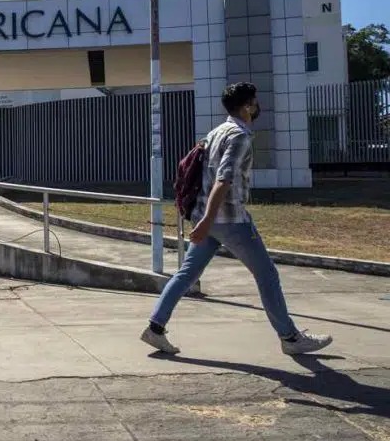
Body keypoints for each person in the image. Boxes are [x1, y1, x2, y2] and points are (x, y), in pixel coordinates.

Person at [141, 82, 332, 356]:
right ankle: (290, 338)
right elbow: (224, 179)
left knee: (186, 275)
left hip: (207, 218)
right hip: (230, 220)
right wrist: (208, 220)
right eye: (254, 102)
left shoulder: (216, 131)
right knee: (267, 275)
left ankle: (155, 329)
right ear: (246, 107)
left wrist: (203, 220)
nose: (256, 106)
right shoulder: (240, 135)